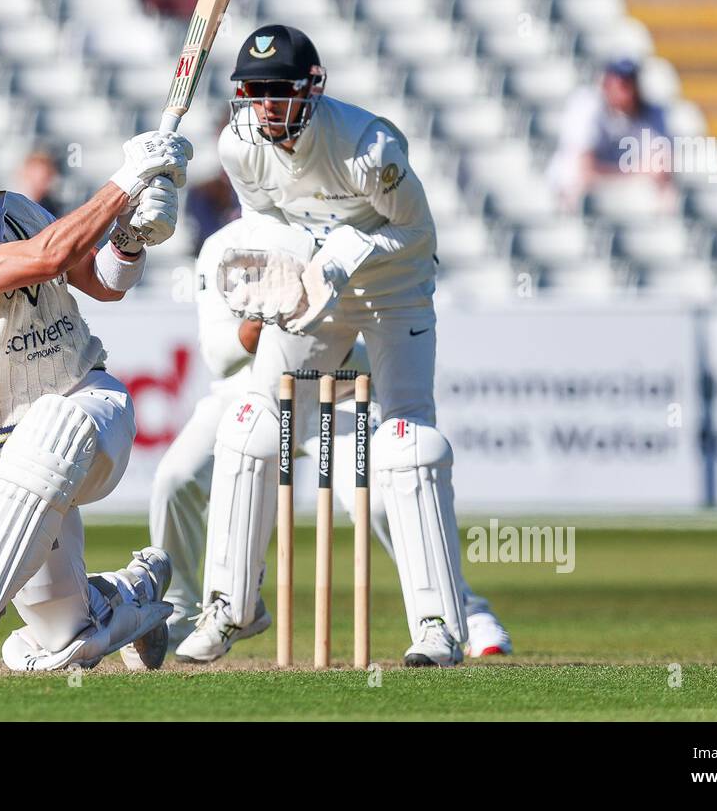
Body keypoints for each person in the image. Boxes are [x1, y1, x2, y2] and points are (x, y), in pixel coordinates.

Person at [176, 25, 511, 666]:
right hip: (311, 291)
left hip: (392, 287)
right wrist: (283, 267)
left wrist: (335, 262)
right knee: (251, 425)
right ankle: (229, 609)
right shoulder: (238, 147)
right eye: (254, 92)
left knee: (407, 444)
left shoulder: (367, 146)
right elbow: (265, 217)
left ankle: (438, 626)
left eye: (280, 91)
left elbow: (416, 232)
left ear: (312, 88)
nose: (266, 105)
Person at [0, 118, 194, 672]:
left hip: (89, 406)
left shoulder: (19, 211)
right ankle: (140, 595)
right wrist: (128, 181)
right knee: (62, 645)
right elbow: (46, 258)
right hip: (5, 457)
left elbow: (104, 284)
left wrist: (130, 240)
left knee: (52, 422)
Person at [152, 218, 512, 657]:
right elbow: (218, 356)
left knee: (381, 503)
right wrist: (261, 321)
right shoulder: (223, 245)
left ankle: (465, 612)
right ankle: (180, 611)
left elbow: (376, 342)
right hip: (248, 395)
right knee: (175, 478)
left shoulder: (343, 239)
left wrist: (320, 334)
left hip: (337, 392)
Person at [545, 57, 671, 208]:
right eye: (622, 83)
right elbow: (585, 170)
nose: (628, 91)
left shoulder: (651, 112)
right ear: (607, 84)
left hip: (624, 192)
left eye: (631, 82)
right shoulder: (587, 105)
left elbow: (661, 170)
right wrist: (637, 173)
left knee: (667, 196)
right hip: (572, 194)